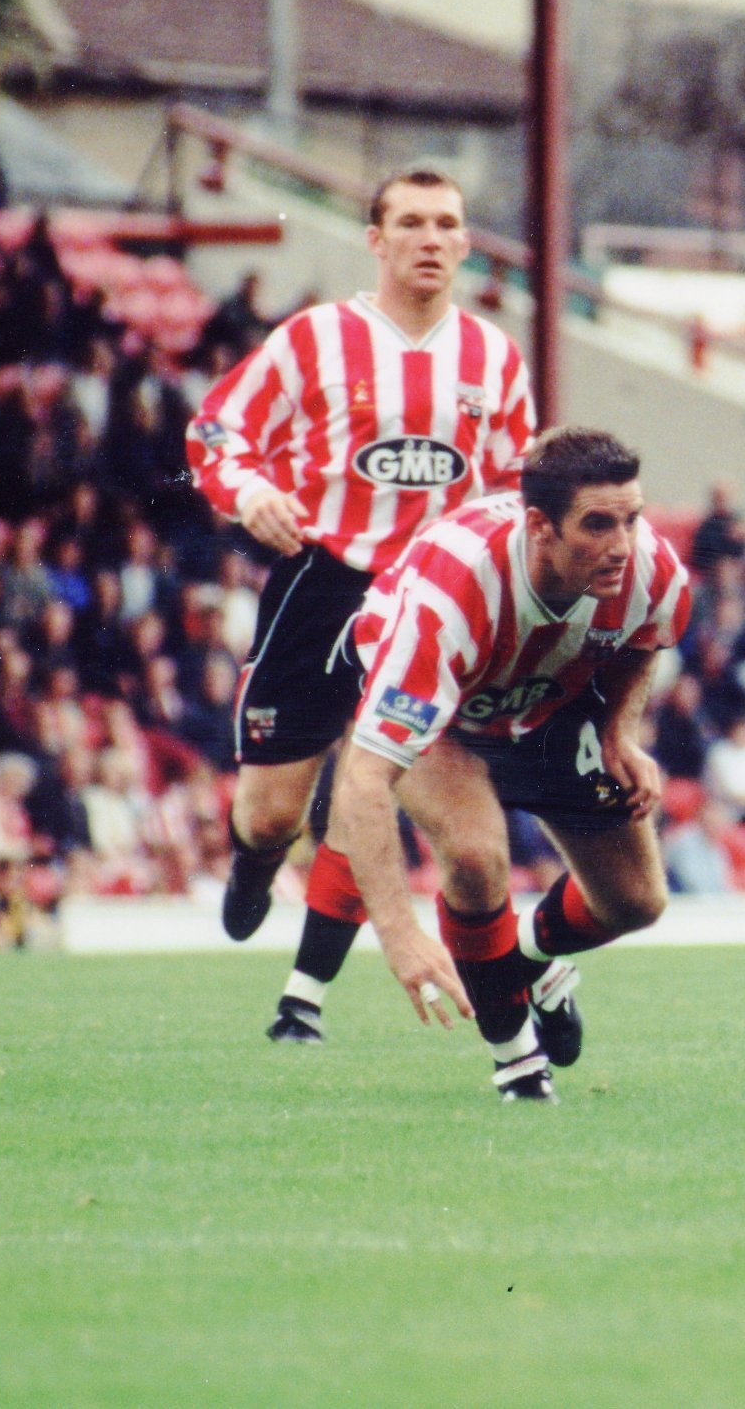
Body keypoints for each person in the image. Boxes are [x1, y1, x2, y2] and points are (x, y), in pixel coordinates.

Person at [184, 168, 535, 1043]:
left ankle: (324, 1001)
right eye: (409, 222)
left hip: (433, 604)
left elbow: (512, 493)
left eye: (445, 224)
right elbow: (216, 432)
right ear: (375, 241)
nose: (428, 238)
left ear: (463, 244)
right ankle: (255, 862)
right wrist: (248, 494)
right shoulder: (314, 340)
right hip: (324, 579)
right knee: (269, 811)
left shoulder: (493, 358)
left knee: (384, 794)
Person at [325, 427, 689, 1102]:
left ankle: (521, 962)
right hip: (447, 713)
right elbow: (364, 780)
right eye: (598, 524)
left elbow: (644, 639)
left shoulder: (651, 572)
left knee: (636, 902)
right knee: (473, 857)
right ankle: (517, 1063)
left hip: (544, 703)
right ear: (539, 527)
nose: (621, 544)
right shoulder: (450, 595)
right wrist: (400, 936)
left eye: (631, 519)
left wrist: (620, 731)